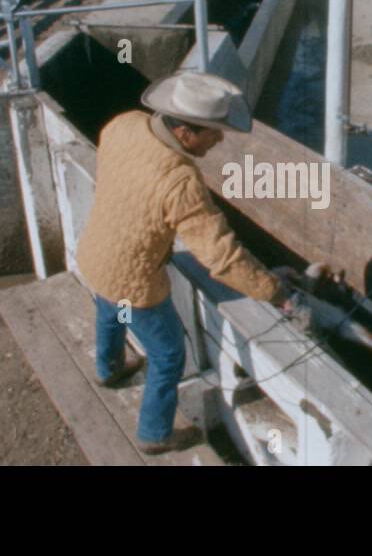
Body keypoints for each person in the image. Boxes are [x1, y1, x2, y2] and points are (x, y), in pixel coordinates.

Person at [75, 70, 295, 455]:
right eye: (213, 131)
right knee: (168, 354)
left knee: (109, 310)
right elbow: (222, 259)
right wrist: (274, 291)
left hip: (95, 253)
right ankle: (154, 434)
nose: (220, 138)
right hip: (133, 280)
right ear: (184, 133)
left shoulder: (124, 124)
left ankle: (108, 370)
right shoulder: (181, 182)